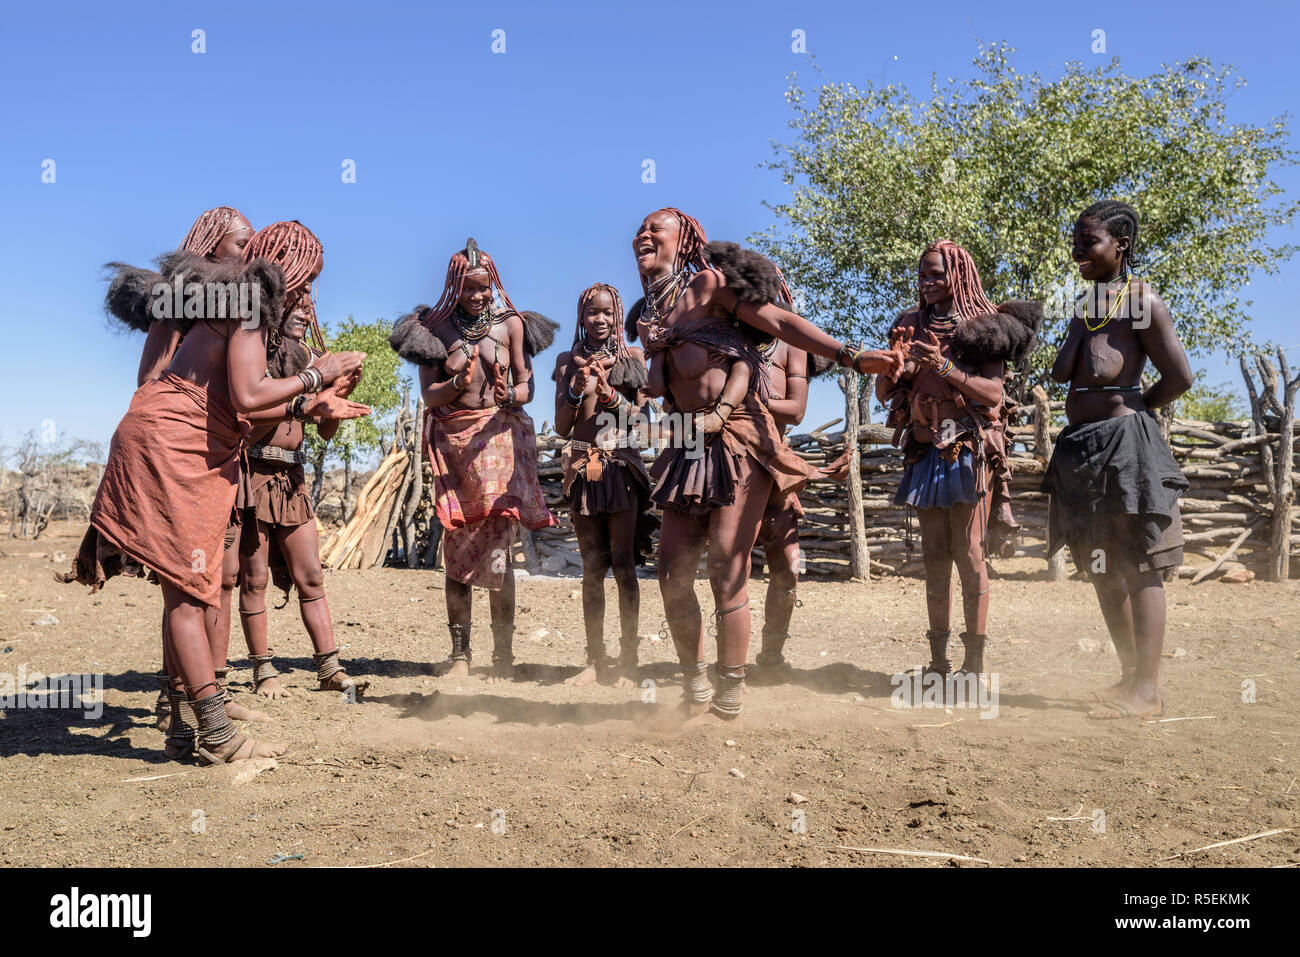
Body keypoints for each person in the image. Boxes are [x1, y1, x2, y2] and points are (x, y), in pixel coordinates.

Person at [60, 221, 370, 762]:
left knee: (195, 586)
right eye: (309, 278)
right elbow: (249, 396)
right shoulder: (249, 299)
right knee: (189, 589)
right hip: (173, 443)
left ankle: (185, 729)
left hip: (189, 443)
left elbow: (239, 398)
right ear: (290, 267)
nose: (309, 292)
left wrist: (307, 406)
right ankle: (218, 735)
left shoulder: (243, 302)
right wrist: (317, 376)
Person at [629, 208, 903, 721]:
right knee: (670, 569)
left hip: (739, 439)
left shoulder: (710, 284)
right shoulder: (655, 311)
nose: (643, 235)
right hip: (687, 442)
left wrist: (850, 355)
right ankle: (694, 680)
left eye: (655, 228)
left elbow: (778, 320)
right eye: (639, 229)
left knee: (726, 567)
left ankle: (730, 687)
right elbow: (657, 385)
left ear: (683, 238)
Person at [1044, 201, 1192, 719]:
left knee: (1140, 563)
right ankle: (1129, 677)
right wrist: (1083, 321)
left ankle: (1147, 693)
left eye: (1090, 242)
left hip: (1125, 445)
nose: (1078, 250)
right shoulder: (1089, 303)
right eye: (1076, 242)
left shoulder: (1143, 300)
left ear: (1120, 245)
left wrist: (1136, 408)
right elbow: (1065, 371)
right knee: (1103, 565)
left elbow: (1180, 377)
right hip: (1082, 447)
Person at [389, 239, 556, 680]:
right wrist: (457, 380)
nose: (479, 296)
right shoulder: (432, 329)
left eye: (485, 288)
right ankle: (460, 655)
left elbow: (526, 386)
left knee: (499, 549)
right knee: (458, 546)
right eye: (469, 289)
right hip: (454, 443)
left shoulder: (511, 326)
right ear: (453, 286)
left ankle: (503, 656)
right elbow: (429, 395)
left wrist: (509, 394)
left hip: (499, 439)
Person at [878, 240, 1040, 684]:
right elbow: (884, 393)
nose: (927, 283)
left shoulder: (983, 326)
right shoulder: (910, 324)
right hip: (925, 447)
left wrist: (945, 367)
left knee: (969, 553)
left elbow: (992, 394)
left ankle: (975, 664)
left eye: (936, 274)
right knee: (934, 557)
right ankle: (938, 662)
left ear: (959, 275)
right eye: (923, 275)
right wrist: (892, 364)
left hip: (967, 450)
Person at [234, 276, 370, 701]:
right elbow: (247, 418)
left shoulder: (314, 359)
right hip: (253, 475)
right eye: (296, 305)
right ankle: (263, 672)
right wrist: (303, 398)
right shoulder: (255, 358)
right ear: (274, 308)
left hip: (292, 479)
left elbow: (326, 430)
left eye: (309, 306)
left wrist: (340, 395)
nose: (305, 312)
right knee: (253, 578)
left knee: (311, 575)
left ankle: (329, 667)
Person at [552, 283, 655, 687]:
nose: (600, 320)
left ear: (617, 317)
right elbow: (562, 427)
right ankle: (595, 661)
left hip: (620, 466)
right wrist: (577, 389)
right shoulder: (566, 361)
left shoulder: (632, 358)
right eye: (592, 313)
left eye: (608, 313)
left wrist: (609, 393)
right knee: (592, 568)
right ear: (581, 317)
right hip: (583, 469)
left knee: (625, 566)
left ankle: (628, 660)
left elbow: (643, 421)